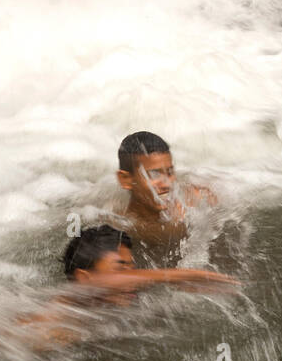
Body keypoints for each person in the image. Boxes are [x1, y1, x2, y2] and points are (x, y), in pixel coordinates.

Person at [17, 226, 239, 346]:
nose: (131, 277)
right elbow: (102, 283)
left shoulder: (101, 314)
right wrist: (181, 275)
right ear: (83, 278)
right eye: (120, 267)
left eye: (132, 268)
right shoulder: (61, 306)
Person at [115, 131, 217, 241]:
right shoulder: (118, 224)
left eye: (169, 172)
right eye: (154, 174)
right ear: (125, 179)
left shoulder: (196, 201)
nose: (167, 184)